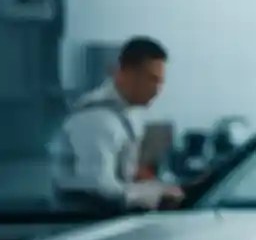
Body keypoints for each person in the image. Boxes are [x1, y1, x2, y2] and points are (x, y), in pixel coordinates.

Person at [49, 36, 184, 213]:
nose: (157, 90)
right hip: (83, 222)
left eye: (160, 81)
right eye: (151, 79)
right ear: (124, 73)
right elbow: (99, 188)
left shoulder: (128, 114)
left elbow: (126, 170)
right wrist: (154, 194)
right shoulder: (96, 120)